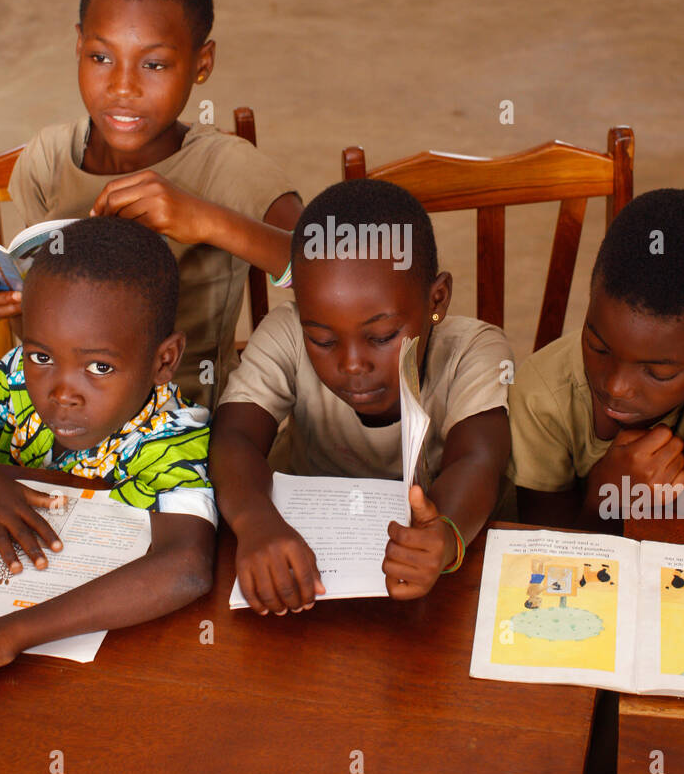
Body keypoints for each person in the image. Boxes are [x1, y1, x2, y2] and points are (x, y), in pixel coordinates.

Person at [0, 0, 301, 409]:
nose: (121, 87)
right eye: (101, 57)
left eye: (153, 65)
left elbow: (332, 269)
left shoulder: (226, 168)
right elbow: (45, 325)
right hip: (64, 412)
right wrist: (8, 301)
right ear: (78, 46)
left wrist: (205, 221)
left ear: (202, 62)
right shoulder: (47, 160)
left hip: (186, 423)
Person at [0, 218, 215, 688]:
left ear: (164, 360)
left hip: (104, 669)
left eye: (99, 366)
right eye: (42, 356)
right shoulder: (15, 380)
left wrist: (9, 635)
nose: (63, 391)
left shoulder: (171, 436)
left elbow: (187, 568)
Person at [210, 178, 512, 614]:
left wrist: (443, 536)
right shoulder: (285, 334)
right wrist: (255, 522)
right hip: (312, 580)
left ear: (437, 298)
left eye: (383, 336)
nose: (352, 364)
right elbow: (233, 437)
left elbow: (480, 460)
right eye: (324, 340)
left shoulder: (475, 350)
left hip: (431, 586)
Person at [508, 189, 684, 541]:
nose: (615, 387)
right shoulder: (542, 395)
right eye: (598, 346)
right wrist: (603, 496)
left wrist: (637, 488)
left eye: (658, 372)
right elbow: (548, 553)